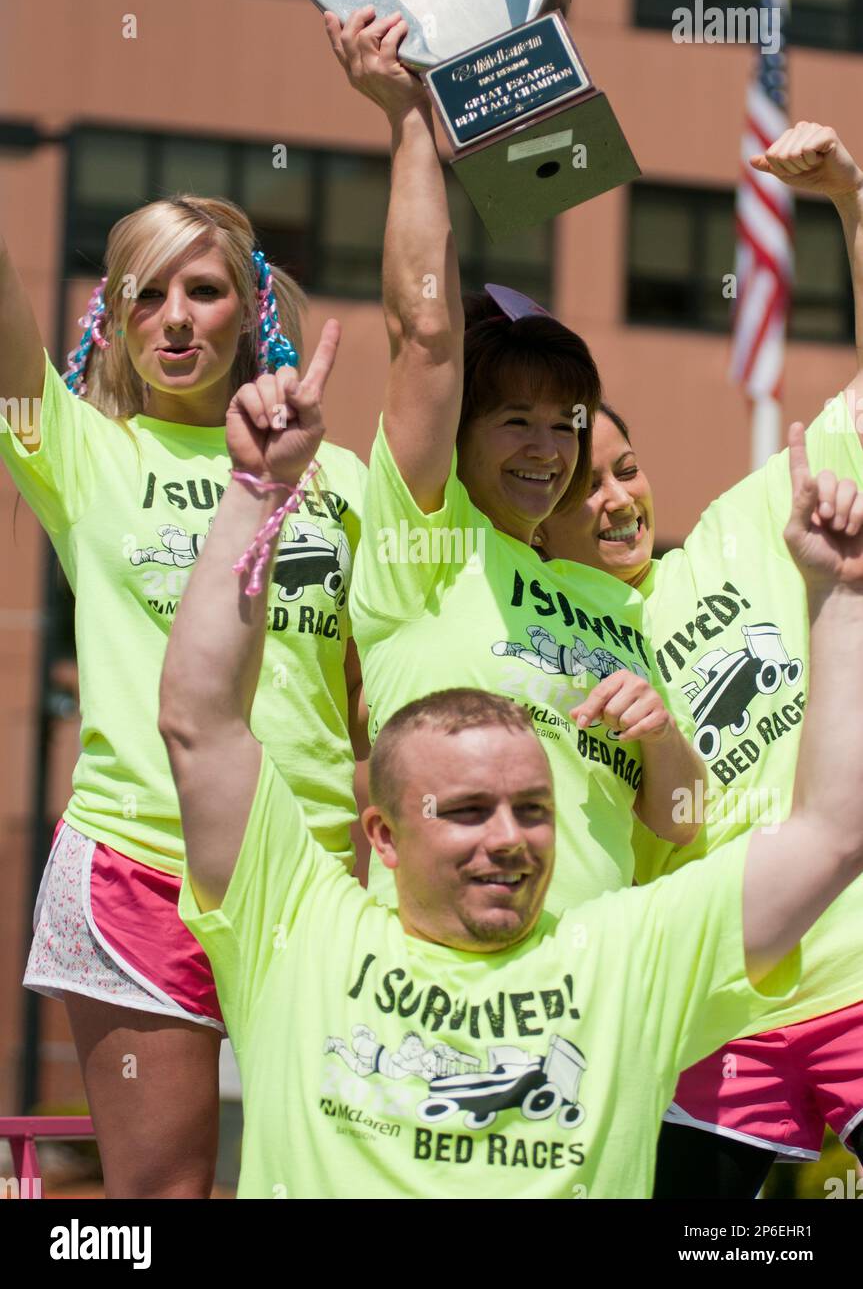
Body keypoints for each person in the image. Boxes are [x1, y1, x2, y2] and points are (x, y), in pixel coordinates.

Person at [164, 336, 863, 1200]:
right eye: (465, 810)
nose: (508, 838)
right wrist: (256, 491)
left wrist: (838, 601)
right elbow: (198, 725)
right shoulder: (303, 936)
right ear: (380, 835)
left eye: (534, 810)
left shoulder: (619, 962)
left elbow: (828, 829)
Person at [0, 197, 367, 1197]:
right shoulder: (77, 450)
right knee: (161, 1206)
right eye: (143, 293)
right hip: (133, 867)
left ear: (249, 313)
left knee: (325, 1180)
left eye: (201, 291)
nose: (171, 316)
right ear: (111, 319)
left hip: (308, 878)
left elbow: (373, 690)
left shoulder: (339, 477)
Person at [324, 7, 704, 917]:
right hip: (433, 972)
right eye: (515, 420)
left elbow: (682, 820)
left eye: (565, 422)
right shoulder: (430, 544)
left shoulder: (622, 602)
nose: (547, 446)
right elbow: (424, 337)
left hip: (586, 992)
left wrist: (658, 738)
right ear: (457, 436)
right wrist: (407, 123)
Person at [541, 123, 863, 1194]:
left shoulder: (755, 513)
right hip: (716, 1006)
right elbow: (667, 827)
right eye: (582, 487)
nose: (616, 499)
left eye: (623, 468)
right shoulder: (561, 635)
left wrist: (847, 203)